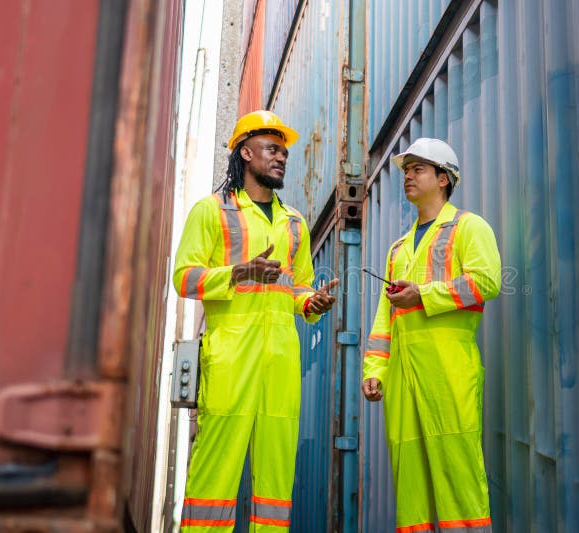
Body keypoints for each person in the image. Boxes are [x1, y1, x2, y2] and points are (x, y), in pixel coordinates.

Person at [174, 110, 338, 532]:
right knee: (216, 475)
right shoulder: (211, 212)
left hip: (280, 365)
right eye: (271, 149)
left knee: (276, 482)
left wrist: (312, 302)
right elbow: (183, 277)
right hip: (230, 361)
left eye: (284, 151)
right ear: (245, 153)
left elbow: (297, 287)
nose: (281, 157)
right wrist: (238, 273)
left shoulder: (296, 224)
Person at [362, 138, 501, 532]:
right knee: (410, 492)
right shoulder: (399, 248)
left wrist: (422, 295)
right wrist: (375, 369)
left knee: (459, 482)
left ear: (444, 178)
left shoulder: (468, 227)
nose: (407, 175)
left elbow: (487, 281)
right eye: (406, 169)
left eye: (418, 169)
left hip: (447, 374)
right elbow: (384, 317)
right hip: (403, 379)